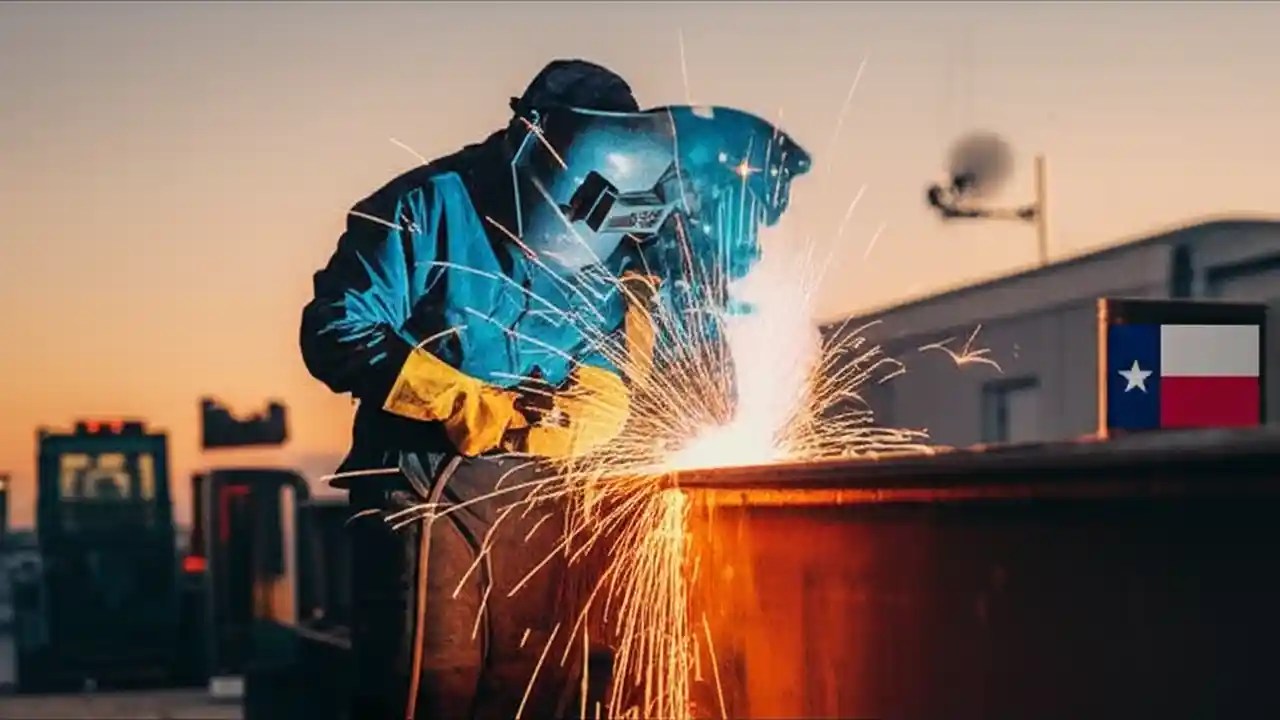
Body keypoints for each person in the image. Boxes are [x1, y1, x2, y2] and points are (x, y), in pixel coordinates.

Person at [300, 59, 810, 720]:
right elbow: (336, 328)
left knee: (533, 693)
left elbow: (619, 333)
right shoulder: (426, 206)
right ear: (533, 138)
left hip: (547, 491)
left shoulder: (621, 221)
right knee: (432, 688)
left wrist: (605, 395)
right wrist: (466, 403)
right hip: (427, 491)